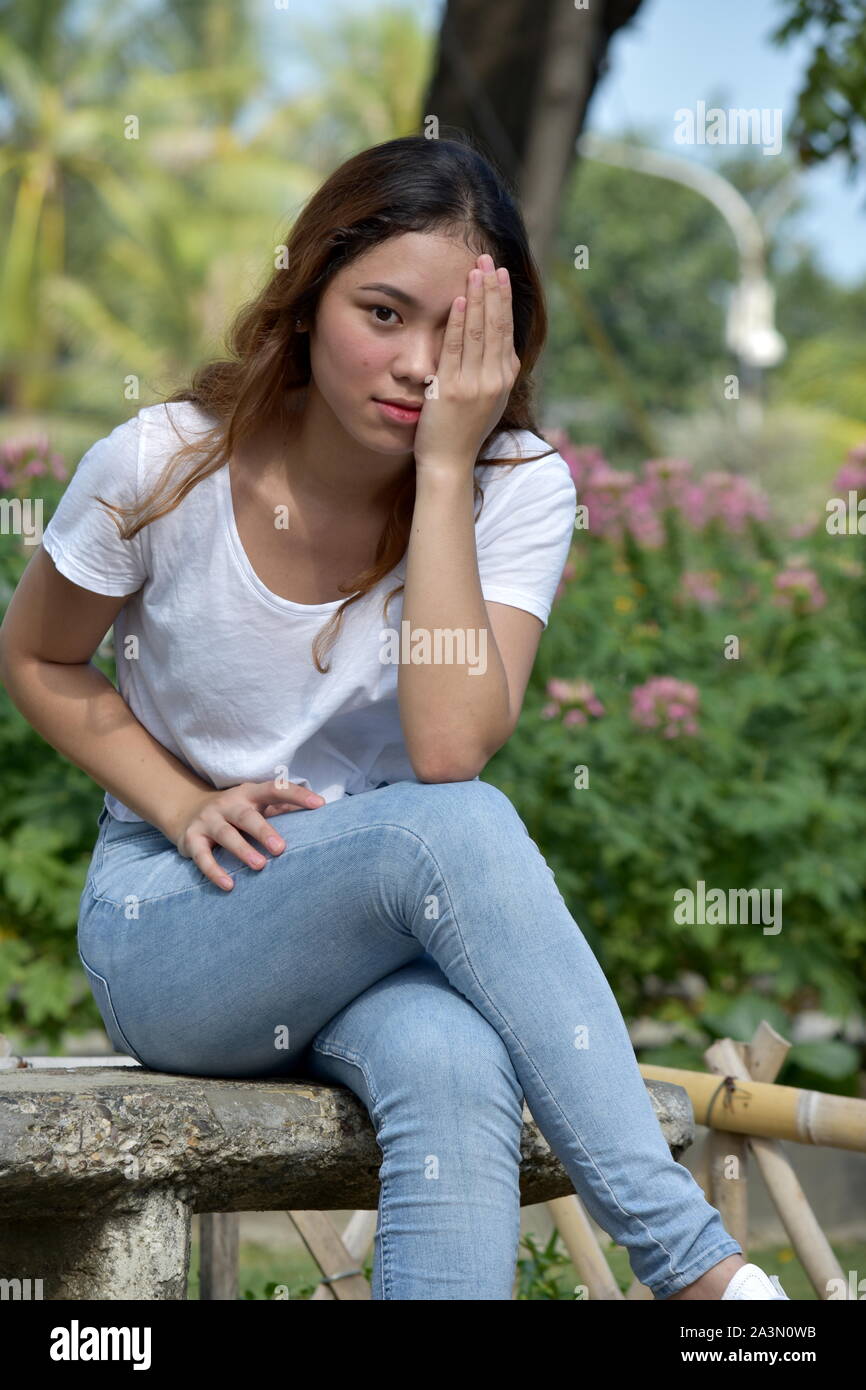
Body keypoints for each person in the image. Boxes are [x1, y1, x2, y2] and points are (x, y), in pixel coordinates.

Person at [0, 132, 788, 1302]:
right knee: (451, 824)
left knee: (455, 1061)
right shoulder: (164, 464)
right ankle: (690, 1262)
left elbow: (446, 738)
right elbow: (37, 655)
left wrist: (440, 475)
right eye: (382, 312)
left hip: (383, 948)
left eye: (458, 335)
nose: (417, 364)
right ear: (310, 292)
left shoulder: (513, 485)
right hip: (174, 917)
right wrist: (179, 798)